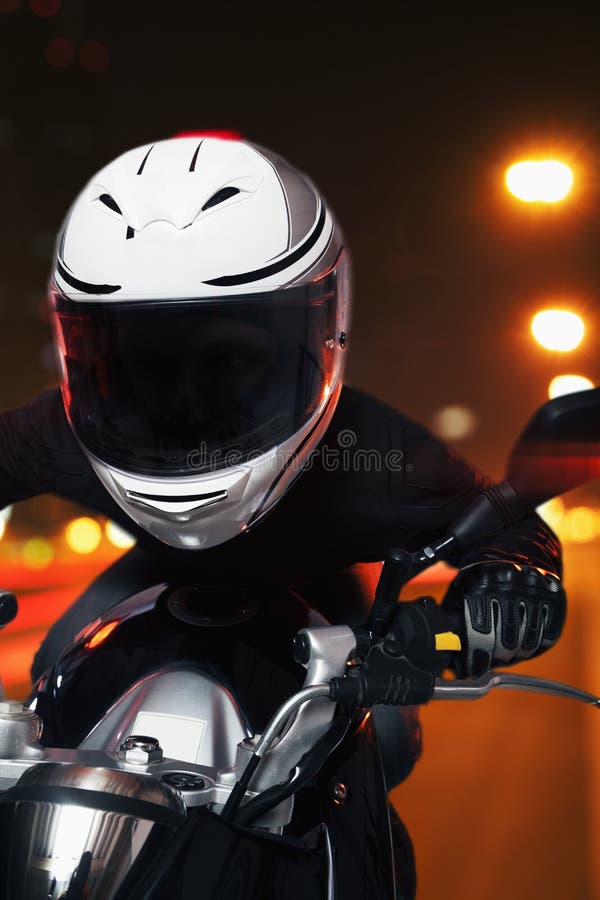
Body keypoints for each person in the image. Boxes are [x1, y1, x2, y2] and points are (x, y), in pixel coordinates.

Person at [0, 132, 565, 778]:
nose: (186, 408)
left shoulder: (368, 453)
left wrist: (493, 595)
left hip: (331, 625)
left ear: (329, 336)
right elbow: (511, 525)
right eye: (141, 367)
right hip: (152, 592)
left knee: (382, 745)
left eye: (231, 362)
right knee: (49, 697)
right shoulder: (63, 430)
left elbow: (510, 528)